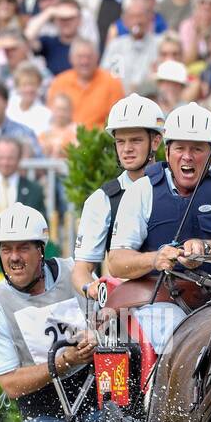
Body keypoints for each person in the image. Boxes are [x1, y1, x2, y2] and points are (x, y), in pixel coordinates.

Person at [107, 102, 211, 353]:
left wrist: (204, 248)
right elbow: (117, 261)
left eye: (197, 149)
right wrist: (156, 259)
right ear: (167, 152)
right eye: (179, 148)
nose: (187, 156)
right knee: (173, 327)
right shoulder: (142, 190)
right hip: (162, 304)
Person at [0, 203, 96, 422]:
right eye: (6, 249)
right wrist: (65, 361)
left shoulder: (75, 273)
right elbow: (10, 384)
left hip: (95, 395)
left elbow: (111, 320)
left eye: (23, 248)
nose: (14, 257)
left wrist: (99, 329)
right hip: (43, 410)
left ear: (40, 250)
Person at [72, 95, 165, 299]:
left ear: (156, 141)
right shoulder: (102, 199)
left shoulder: (178, 187)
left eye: (136, 140)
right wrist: (91, 288)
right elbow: (82, 269)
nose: (127, 149)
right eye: (120, 141)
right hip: (125, 309)